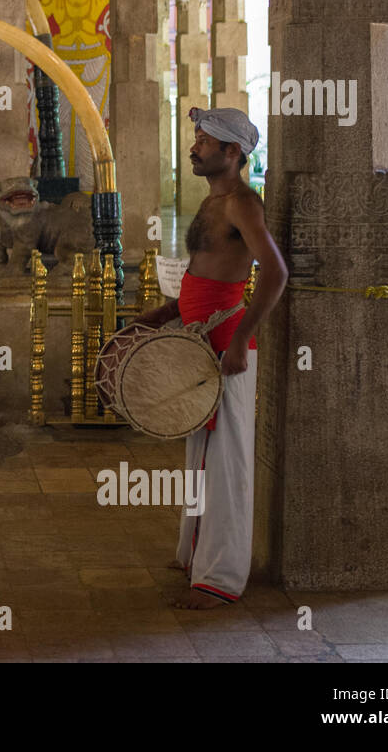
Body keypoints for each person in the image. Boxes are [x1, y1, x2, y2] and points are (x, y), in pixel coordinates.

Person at [132, 108, 287, 609]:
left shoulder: (243, 203)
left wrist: (242, 338)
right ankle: (196, 558)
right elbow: (204, 279)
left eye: (204, 141)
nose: (195, 148)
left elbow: (275, 273)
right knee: (200, 459)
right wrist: (161, 316)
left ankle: (222, 579)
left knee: (228, 463)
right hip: (198, 344)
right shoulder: (209, 203)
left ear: (232, 153)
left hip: (227, 347)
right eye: (196, 139)